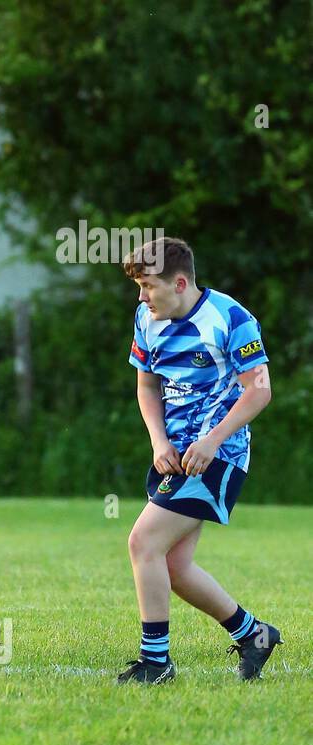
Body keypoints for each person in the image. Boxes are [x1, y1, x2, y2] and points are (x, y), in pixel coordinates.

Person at [120, 236, 281, 684]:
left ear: (180, 281)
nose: (141, 296)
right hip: (176, 457)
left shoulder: (231, 318)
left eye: (148, 286)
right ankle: (255, 635)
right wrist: (158, 442)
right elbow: (147, 387)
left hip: (219, 456)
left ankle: (156, 663)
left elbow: (260, 389)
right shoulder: (146, 318)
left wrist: (211, 440)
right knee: (173, 566)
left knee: (143, 543)